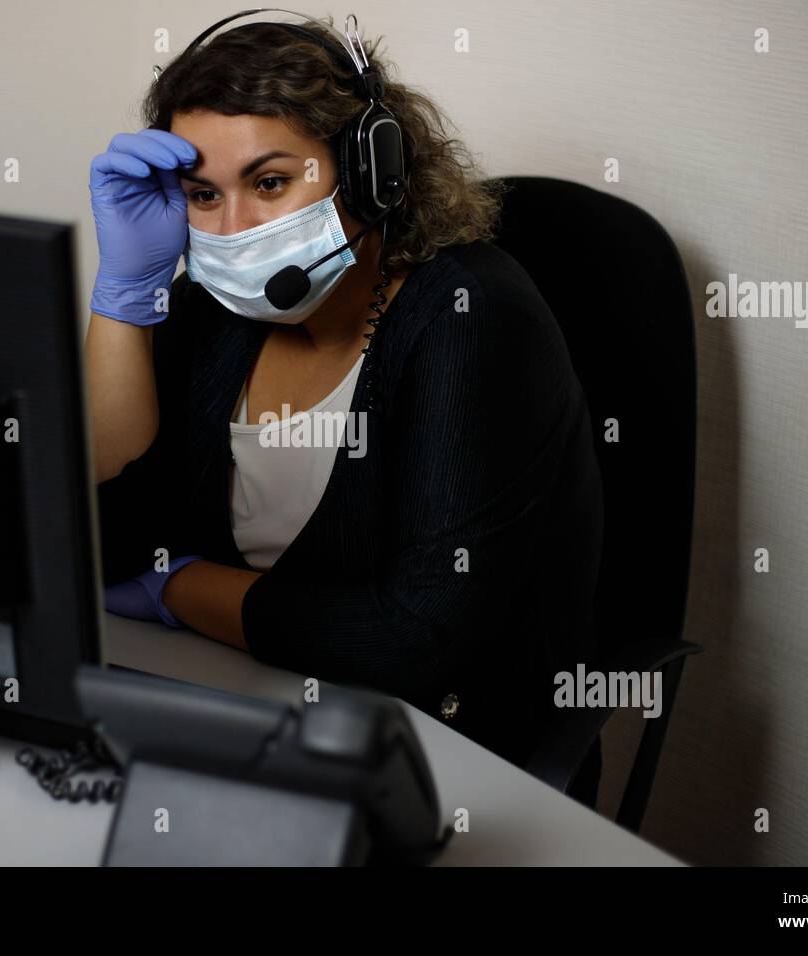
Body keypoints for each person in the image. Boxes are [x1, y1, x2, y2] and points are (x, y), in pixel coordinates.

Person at [86, 17, 605, 798]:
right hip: (249, 702)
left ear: (374, 173)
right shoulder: (215, 311)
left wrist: (177, 588)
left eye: (268, 183)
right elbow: (103, 527)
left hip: (440, 752)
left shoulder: (471, 319)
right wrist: (126, 299)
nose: (231, 232)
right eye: (202, 194)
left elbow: (415, 641)